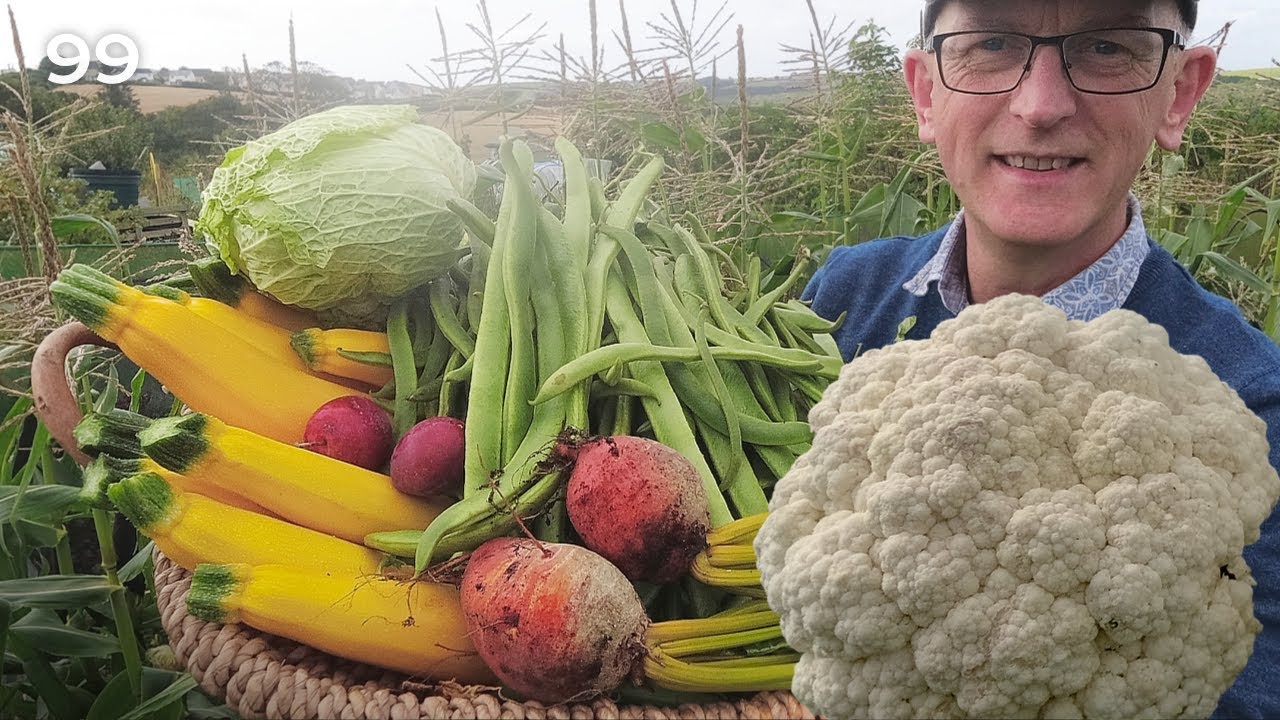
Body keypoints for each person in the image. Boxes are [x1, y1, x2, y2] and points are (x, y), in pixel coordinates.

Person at [800, 0, 1280, 716]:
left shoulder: (1256, 407)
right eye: (990, 43)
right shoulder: (841, 300)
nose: (1041, 105)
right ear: (926, 92)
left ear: (1179, 93)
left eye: (1107, 48)